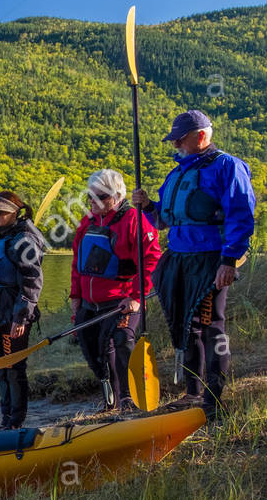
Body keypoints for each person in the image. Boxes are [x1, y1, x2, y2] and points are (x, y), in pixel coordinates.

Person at [133, 110, 256, 418]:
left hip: (210, 258)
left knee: (211, 324)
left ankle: (214, 398)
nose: (176, 145)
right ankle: (193, 392)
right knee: (188, 326)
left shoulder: (228, 167)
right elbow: (164, 219)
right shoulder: (178, 173)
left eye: (180, 139)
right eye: (173, 140)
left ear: (201, 136)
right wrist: (148, 206)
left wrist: (228, 260)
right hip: (179, 257)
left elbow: (241, 215)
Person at [69, 169, 161, 412]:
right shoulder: (86, 223)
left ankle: (129, 399)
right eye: (90, 196)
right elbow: (77, 262)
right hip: (90, 303)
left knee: (122, 341)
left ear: (116, 196)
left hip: (122, 301)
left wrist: (136, 297)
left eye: (100, 196)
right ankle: (110, 398)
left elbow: (151, 260)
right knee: (93, 350)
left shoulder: (135, 220)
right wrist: (75, 296)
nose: (93, 202)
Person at [0, 192, 46, 430]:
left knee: (13, 368)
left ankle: (15, 420)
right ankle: (6, 418)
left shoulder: (23, 240)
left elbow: (32, 280)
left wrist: (21, 316)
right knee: (0, 366)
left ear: (14, 213)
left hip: (13, 316)